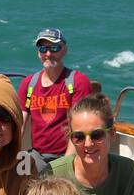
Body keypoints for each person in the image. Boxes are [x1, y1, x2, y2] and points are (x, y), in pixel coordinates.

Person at [18, 28, 96, 163]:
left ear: (64, 50)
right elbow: (20, 125)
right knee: (19, 176)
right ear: (38, 53)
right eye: (43, 49)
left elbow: (79, 128)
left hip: (68, 156)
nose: (48, 53)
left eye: (54, 48)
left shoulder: (78, 82)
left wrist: (65, 165)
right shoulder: (28, 84)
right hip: (36, 155)